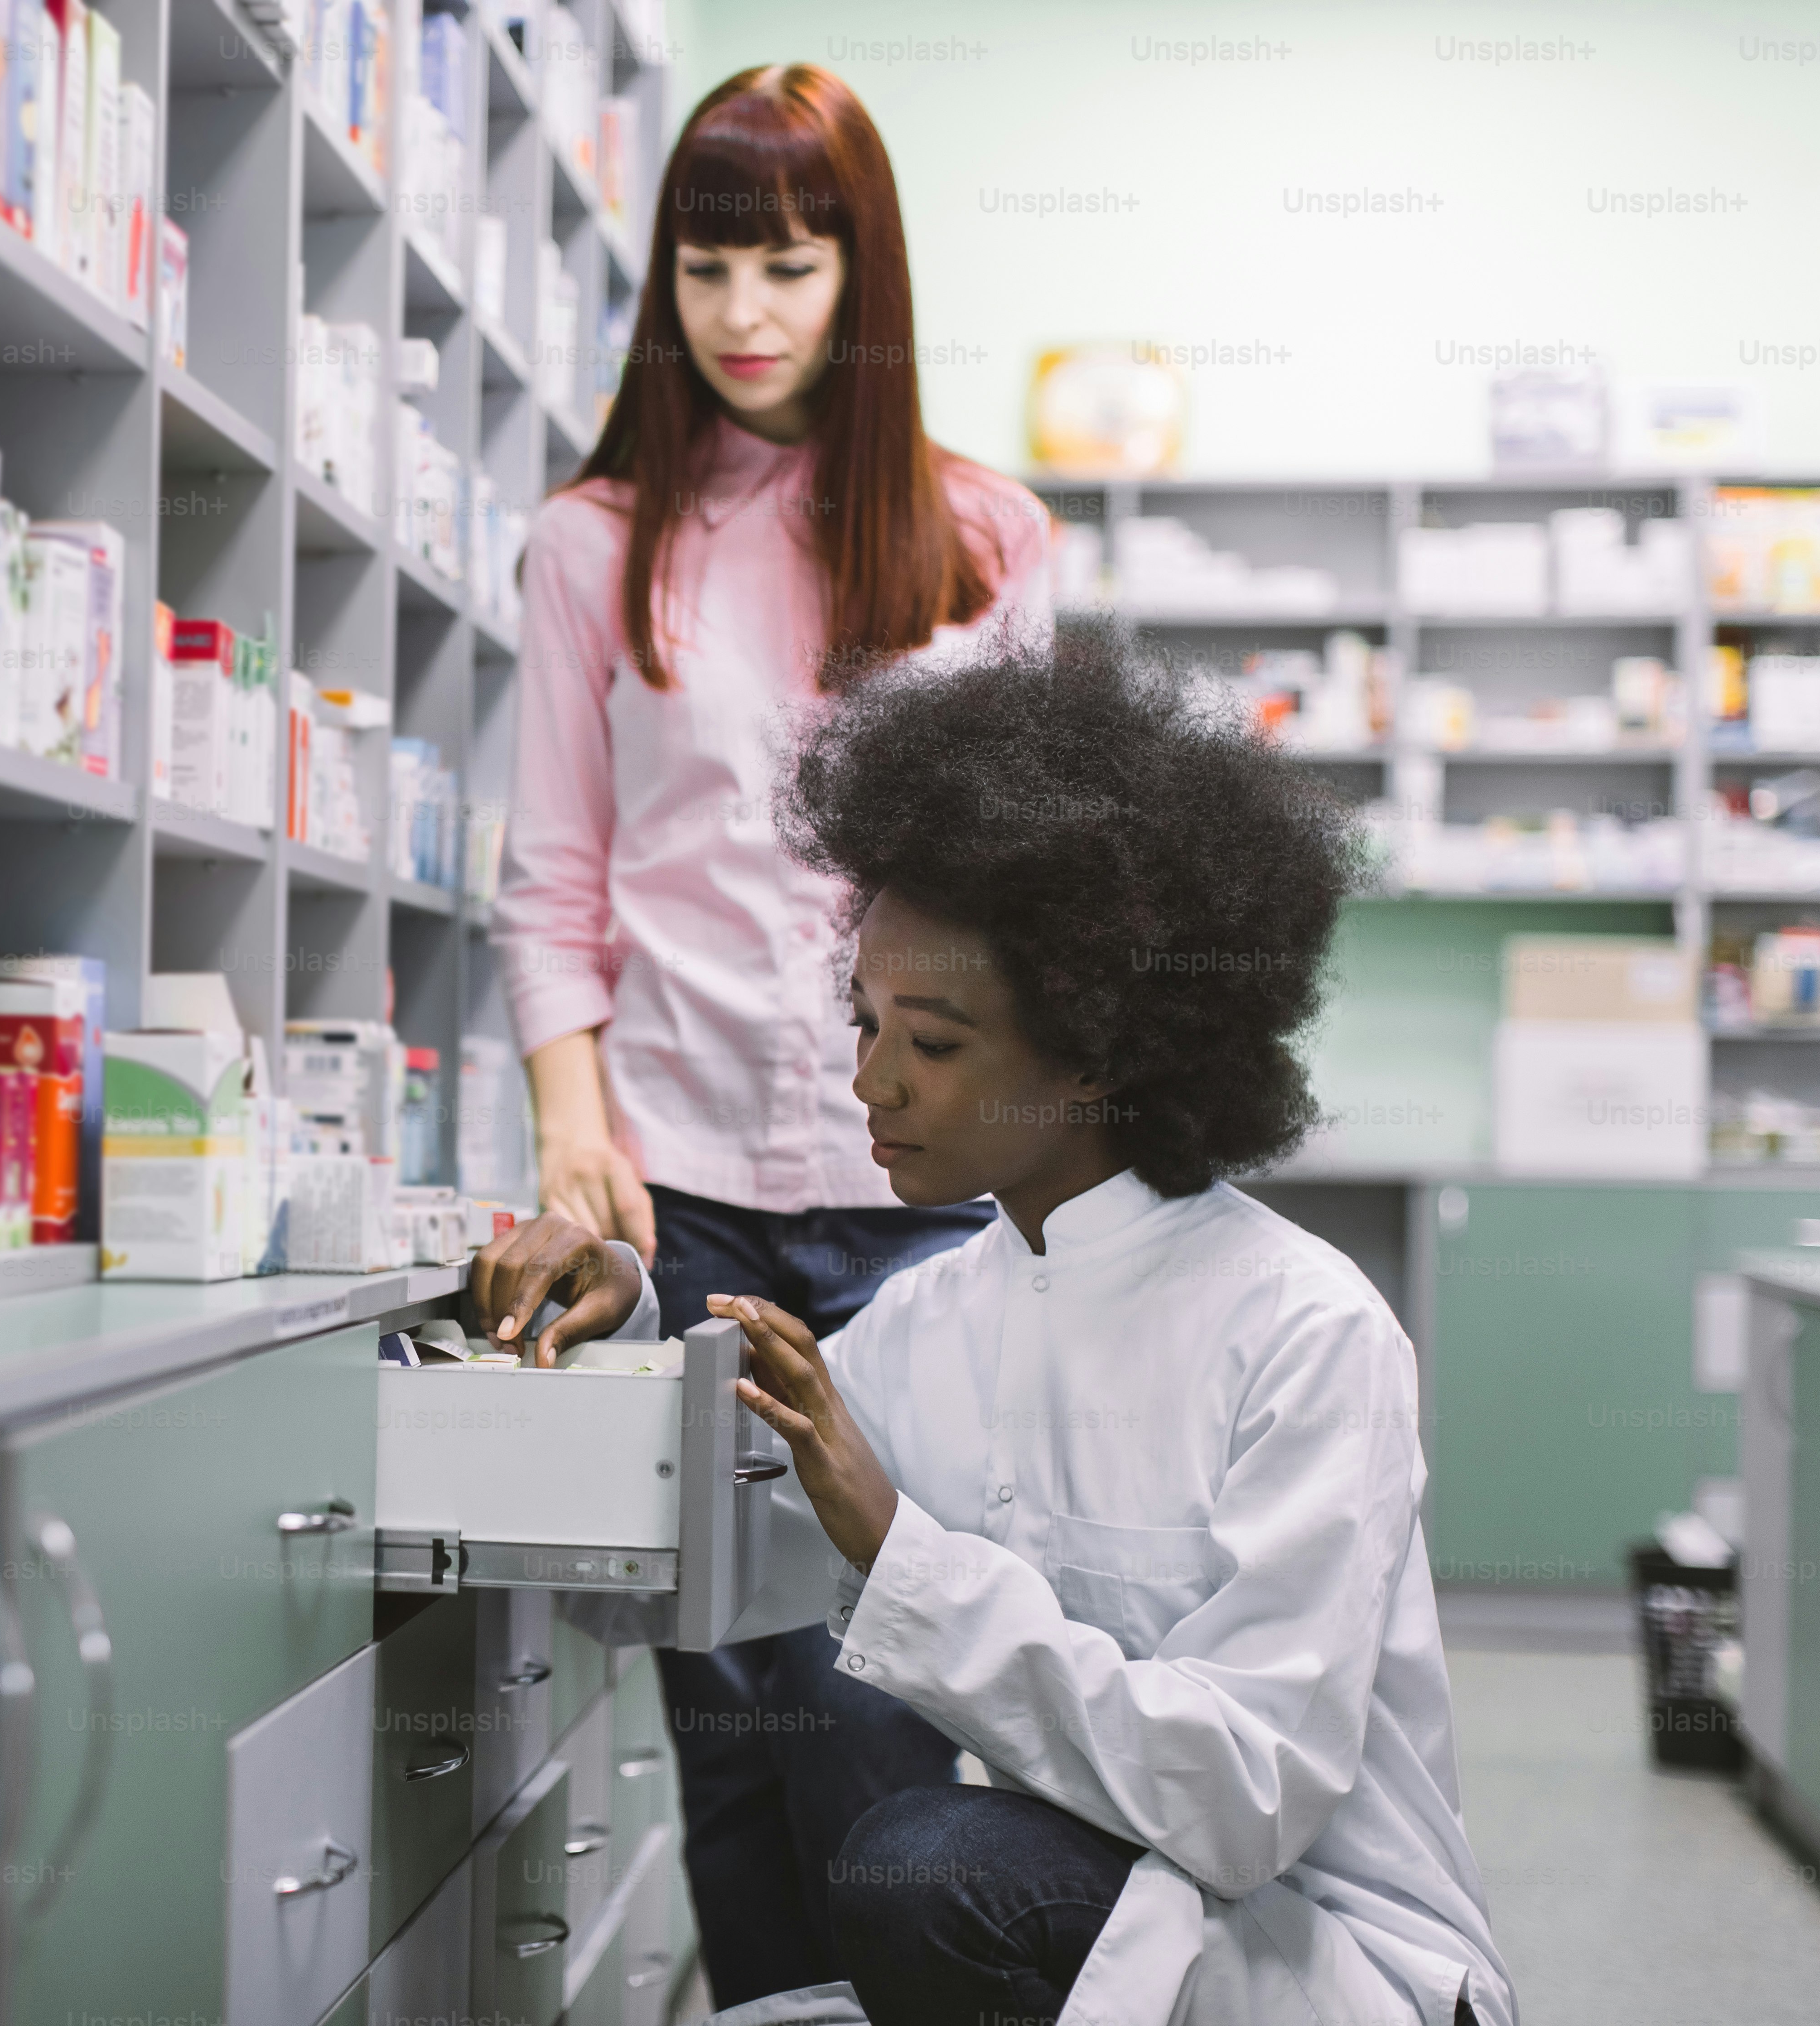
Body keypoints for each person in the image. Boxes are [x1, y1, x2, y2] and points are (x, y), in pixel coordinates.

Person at [478, 630, 1518, 2026]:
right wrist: (594, 1338)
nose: (871, 1082)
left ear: (1094, 1046)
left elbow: (1239, 1803)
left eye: (934, 1042)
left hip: (1320, 1970)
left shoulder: (1304, 1330)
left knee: (926, 1866)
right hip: (1083, 1945)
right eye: (861, 1023)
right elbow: (679, 1583)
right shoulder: (928, 1319)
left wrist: (897, 1549)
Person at [489, 62, 1052, 2001]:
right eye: (709, 266)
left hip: (927, 1202)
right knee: (728, 1707)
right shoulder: (596, 542)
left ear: (858, 276)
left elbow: (1044, 887)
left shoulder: (988, 542)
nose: (743, 314)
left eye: (790, 266)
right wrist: (578, 1124)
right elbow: (554, 876)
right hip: (690, 1197)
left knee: (884, 1690)